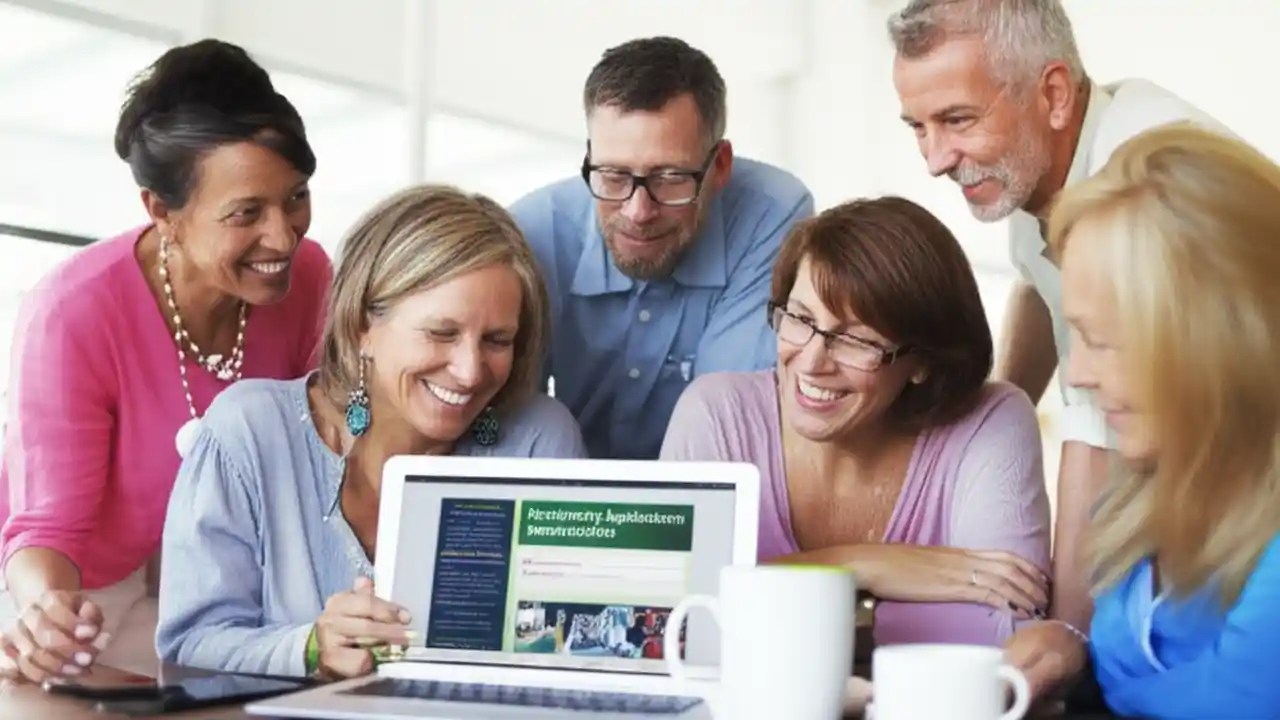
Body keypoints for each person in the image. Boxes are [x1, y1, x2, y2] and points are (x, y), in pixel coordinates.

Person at [887, 0, 1230, 637]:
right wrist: (987, 417)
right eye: (918, 126)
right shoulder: (1040, 157)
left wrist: (1064, 634)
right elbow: (1040, 283)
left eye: (957, 119)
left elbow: (1095, 433)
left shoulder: (1142, 185)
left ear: (1052, 93)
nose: (935, 159)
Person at [155, 184, 587, 679]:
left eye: (497, 340)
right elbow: (188, 644)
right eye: (441, 333)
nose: (470, 371)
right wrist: (311, 648)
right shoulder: (249, 431)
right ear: (363, 324)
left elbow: (567, 648)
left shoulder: (539, 440)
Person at [0, 39, 330, 681]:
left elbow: (321, 453)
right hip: (75, 590)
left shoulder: (311, 280)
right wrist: (44, 611)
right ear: (162, 211)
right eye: (246, 213)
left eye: (295, 197)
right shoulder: (73, 313)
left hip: (208, 580)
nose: (284, 236)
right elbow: (47, 526)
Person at [660, 197, 1051, 646]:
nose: (810, 361)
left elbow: (1011, 626)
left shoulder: (990, 421)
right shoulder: (716, 414)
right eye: (800, 319)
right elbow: (678, 620)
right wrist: (863, 566)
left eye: (854, 340)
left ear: (922, 361)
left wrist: (761, 598)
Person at [1005, 123, 1280, 717]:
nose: (1076, 374)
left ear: (1221, 341)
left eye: (1102, 342)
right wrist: (1072, 653)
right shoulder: (1142, 497)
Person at [510, 36, 814, 460]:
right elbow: (497, 417)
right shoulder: (530, 232)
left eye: (669, 178)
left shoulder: (770, 212)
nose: (637, 211)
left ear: (720, 166)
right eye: (613, 175)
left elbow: (728, 415)